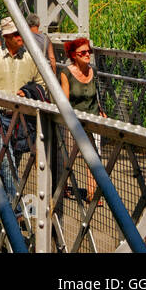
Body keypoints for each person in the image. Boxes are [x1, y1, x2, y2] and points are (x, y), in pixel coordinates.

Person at [0, 19, 46, 220]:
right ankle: (14, 211)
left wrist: (28, 92)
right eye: (15, 34)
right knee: (7, 163)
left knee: (14, 162)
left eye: (20, 33)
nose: (20, 37)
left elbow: (42, 85)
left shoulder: (31, 59)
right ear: (6, 37)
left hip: (22, 121)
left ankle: (1, 205)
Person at [59, 36, 106, 201]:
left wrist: (101, 110)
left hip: (92, 119)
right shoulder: (66, 73)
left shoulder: (93, 70)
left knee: (93, 156)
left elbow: (95, 94)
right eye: (83, 52)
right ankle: (63, 186)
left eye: (89, 51)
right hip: (74, 120)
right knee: (68, 157)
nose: (87, 55)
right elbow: (64, 99)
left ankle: (93, 193)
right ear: (74, 55)